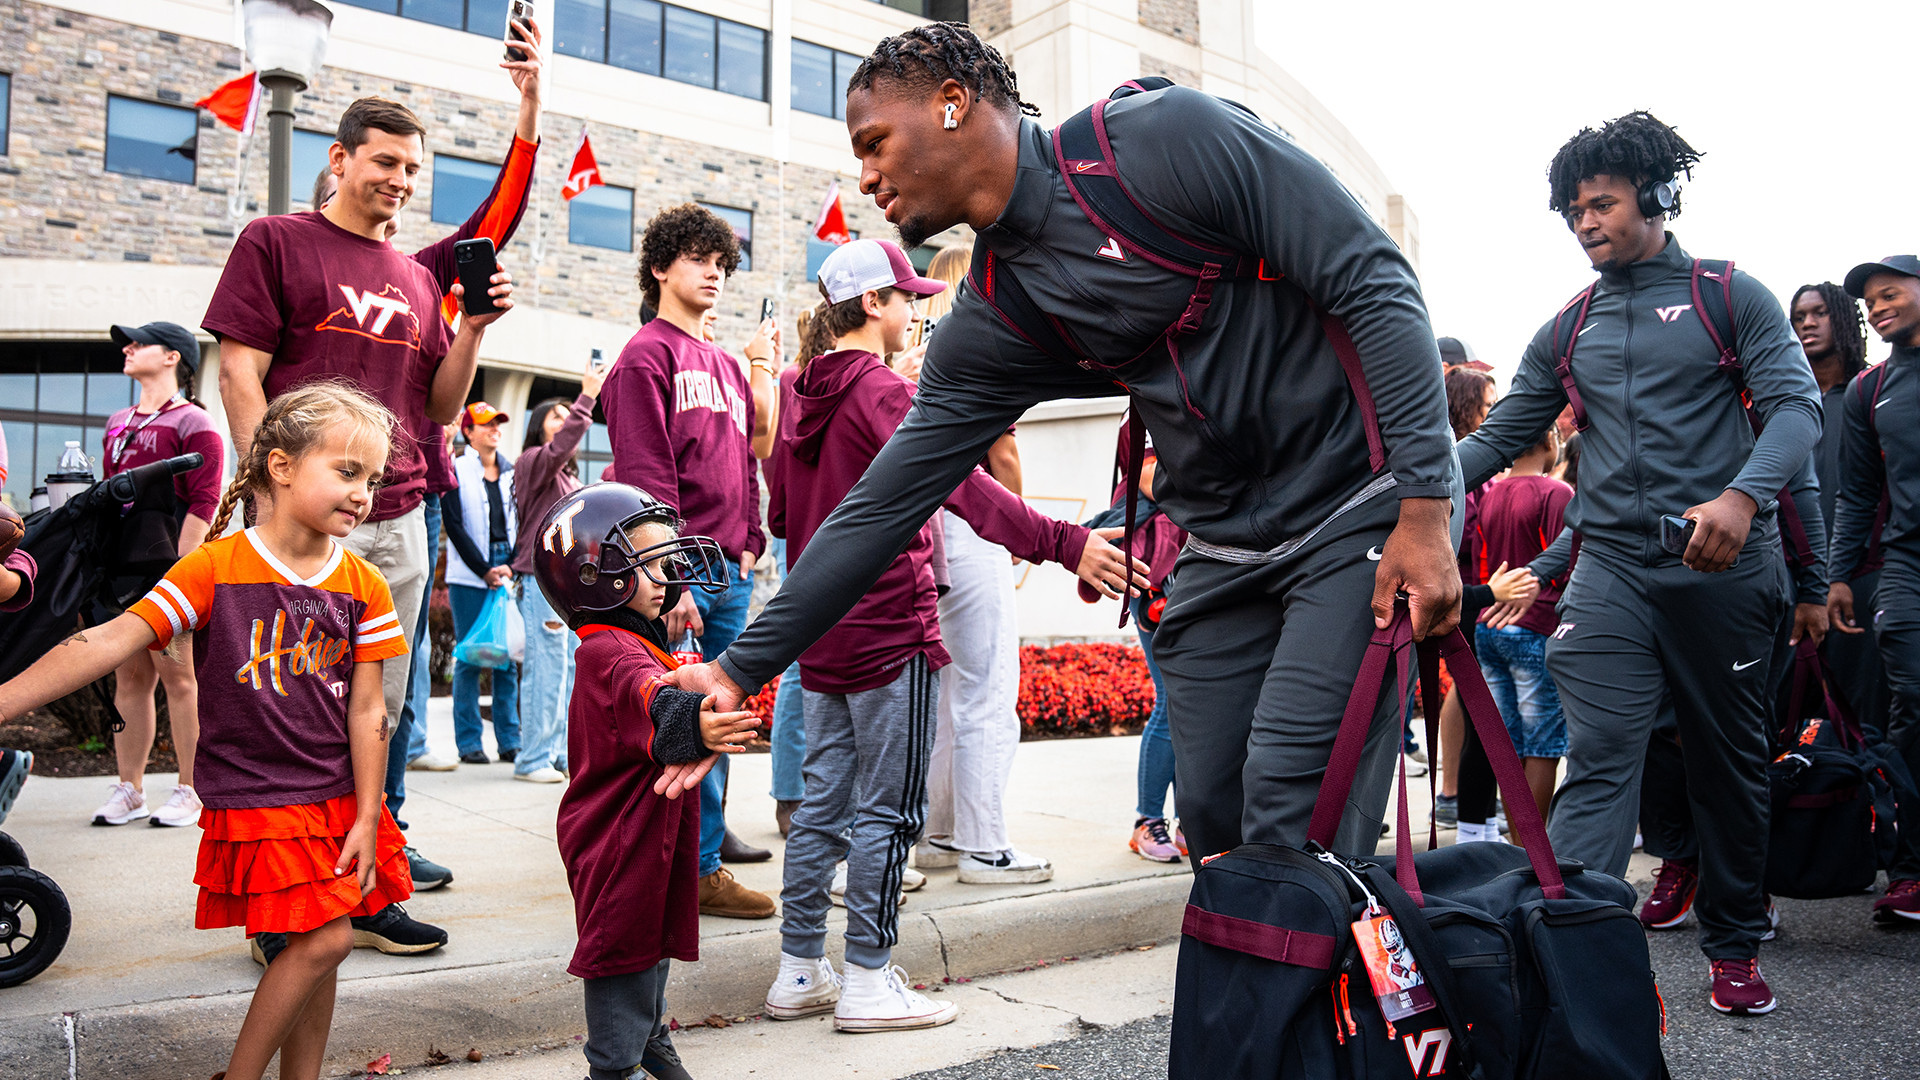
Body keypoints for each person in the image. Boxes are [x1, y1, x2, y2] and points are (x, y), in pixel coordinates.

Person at [662, 26, 1459, 884]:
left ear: (952, 103)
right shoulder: (996, 318)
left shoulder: (1160, 142)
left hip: (1351, 519)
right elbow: (883, 504)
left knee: (1295, 823)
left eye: (873, 143)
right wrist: (736, 670)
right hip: (1223, 547)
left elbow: (1372, 276)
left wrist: (1424, 505)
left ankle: (1360, 1006)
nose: (865, 177)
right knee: (1221, 834)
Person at [1456, 112, 1821, 1015]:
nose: (1585, 223)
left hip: (1723, 567)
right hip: (1612, 568)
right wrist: (1408, 492)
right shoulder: (1568, 324)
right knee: (1604, 747)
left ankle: (1734, 942)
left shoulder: (1728, 294)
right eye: (1572, 210)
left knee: (1726, 762)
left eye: (1603, 203)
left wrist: (1742, 499)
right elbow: (1502, 433)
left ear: (1657, 197)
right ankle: (1573, 947)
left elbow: (1795, 411)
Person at [759, 238, 1129, 1032]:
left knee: (823, 799)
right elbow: (962, 483)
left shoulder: (798, 392)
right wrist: (1066, 544)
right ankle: (866, 979)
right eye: (906, 299)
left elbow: (783, 519)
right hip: (892, 620)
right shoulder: (886, 393)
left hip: (824, 627)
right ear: (871, 306)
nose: (916, 311)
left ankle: (799, 970)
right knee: (890, 813)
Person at [0, 385, 420, 1080]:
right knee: (328, 940)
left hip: (339, 800)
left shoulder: (364, 582)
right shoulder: (215, 568)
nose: (364, 494)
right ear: (280, 468)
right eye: (347, 472)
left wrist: (372, 814)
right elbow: (110, 639)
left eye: (373, 480)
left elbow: (370, 712)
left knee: (314, 949)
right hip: (261, 798)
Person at [207, 96, 516, 956]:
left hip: (401, 513)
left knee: (383, 709)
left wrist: (476, 329)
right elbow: (241, 369)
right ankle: (283, 904)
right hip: (300, 522)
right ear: (340, 160)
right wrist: (265, 494)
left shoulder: (419, 280)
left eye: (413, 169)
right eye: (385, 162)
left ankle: (374, 884)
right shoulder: (276, 240)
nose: (400, 181)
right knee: (289, 705)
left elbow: (442, 404)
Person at [534, 483, 759, 1080]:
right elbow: (648, 695)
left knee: (652, 940)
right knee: (623, 954)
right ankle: (613, 1065)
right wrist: (693, 722)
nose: (670, 576)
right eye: (653, 565)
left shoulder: (633, 640)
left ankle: (650, 1037)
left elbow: (658, 679)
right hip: (617, 837)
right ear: (597, 575)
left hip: (646, 831)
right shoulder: (607, 649)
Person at [601, 203, 778, 917]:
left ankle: (708, 843)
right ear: (660, 268)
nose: (714, 272)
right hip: (685, 573)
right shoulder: (647, 355)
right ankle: (694, 869)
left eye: (722, 263)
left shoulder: (728, 364)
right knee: (692, 709)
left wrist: (752, 541)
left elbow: (748, 457)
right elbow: (646, 479)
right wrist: (668, 578)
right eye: (699, 258)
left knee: (723, 707)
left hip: (732, 566)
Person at [900, 240, 1050, 883]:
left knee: (947, 693)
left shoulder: (913, 353)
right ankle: (985, 844)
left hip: (926, 527)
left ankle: (941, 833)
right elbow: (1004, 453)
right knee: (988, 690)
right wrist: (1020, 523)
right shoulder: (983, 341)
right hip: (974, 518)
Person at [88, 321, 224, 830]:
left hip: (169, 567)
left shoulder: (194, 422)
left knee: (178, 676)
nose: (129, 349)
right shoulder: (118, 422)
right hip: (123, 566)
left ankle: (190, 790)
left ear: (173, 357)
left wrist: (179, 573)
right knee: (130, 675)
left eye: (140, 343)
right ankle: (131, 789)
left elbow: (206, 499)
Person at [1832, 255, 1920, 923]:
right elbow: (1858, 494)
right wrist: (1835, 575)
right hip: (1905, 566)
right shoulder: (1871, 388)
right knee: (1910, 706)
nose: (1877, 307)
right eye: (1870, 301)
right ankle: (1911, 868)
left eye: (1890, 294)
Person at [1793, 282, 1886, 733]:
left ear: (1846, 319)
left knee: (1864, 716)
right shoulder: (1784, 404)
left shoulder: (1874, 392)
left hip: (1862, 580)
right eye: (1799, 317)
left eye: (1819, 313)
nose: (1807, 323)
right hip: (1795, 584)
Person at [1469, 428, 1572, 828]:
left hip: (1489, 625)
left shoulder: (1491, 493)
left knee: (1509, 746)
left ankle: (1521, 851)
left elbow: (1482, 562)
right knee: (1542, 745)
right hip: (1535, 625)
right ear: (1549, 440)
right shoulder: (1556, 493)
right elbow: (1566, 562)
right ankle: (1534, 850)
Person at [512, 360, 606, 784]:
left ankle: (555, 755)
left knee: (568, 672)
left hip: (564, 588)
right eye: (558, 415)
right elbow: (559, 448)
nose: (568, 420)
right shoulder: (533, 462)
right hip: (539, 583)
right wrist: (586, 396)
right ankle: (532, 758)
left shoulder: (564, 478)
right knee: (547, 670)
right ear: (538, 426)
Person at [443, 402, 519, 766]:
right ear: (468, 432)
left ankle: (509, 741)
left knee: (506, 661)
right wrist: (484, 570)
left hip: (507, 571)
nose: (494, 430)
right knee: (470, 659)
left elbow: (523, 521)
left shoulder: (512, 472)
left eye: (497, 424)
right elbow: (454, 526)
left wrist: (510, 566)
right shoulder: (456, 469)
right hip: (470, 575)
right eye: (486, 425)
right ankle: (469, 742)